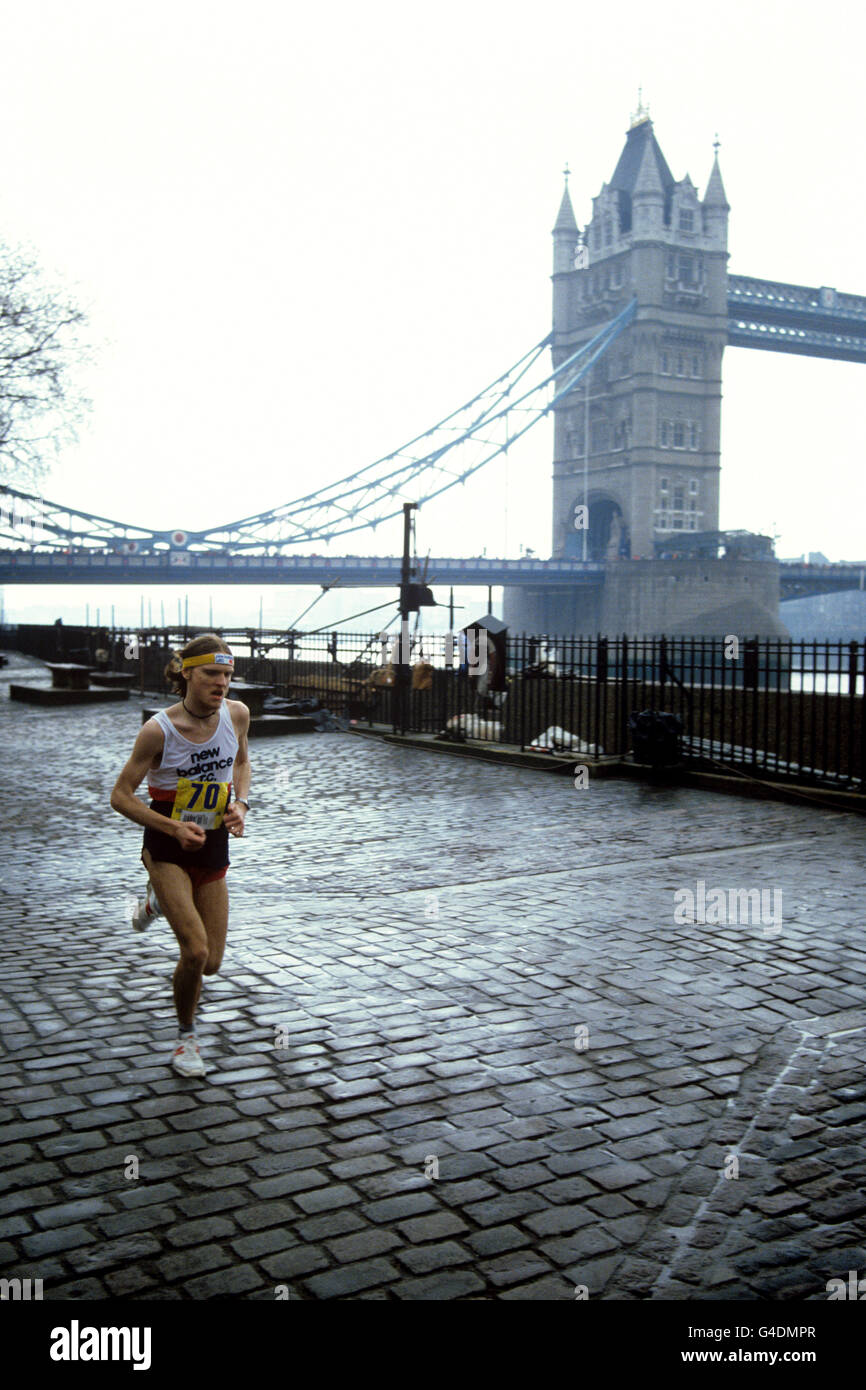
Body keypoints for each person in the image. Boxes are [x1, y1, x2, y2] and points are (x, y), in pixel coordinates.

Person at [110, 633, 251, 1077]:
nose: (221, 683)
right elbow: (120, 796)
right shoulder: (159, 729)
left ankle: (153, 904)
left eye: (227, 675)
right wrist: (173, 827)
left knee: (211, 963)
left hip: (212, 839)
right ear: (186, 672)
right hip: (167, 842)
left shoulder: (237, 715)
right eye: (211, 673)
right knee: (193, 951)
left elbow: (242, 763)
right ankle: (185, 1039)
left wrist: (241, 804)